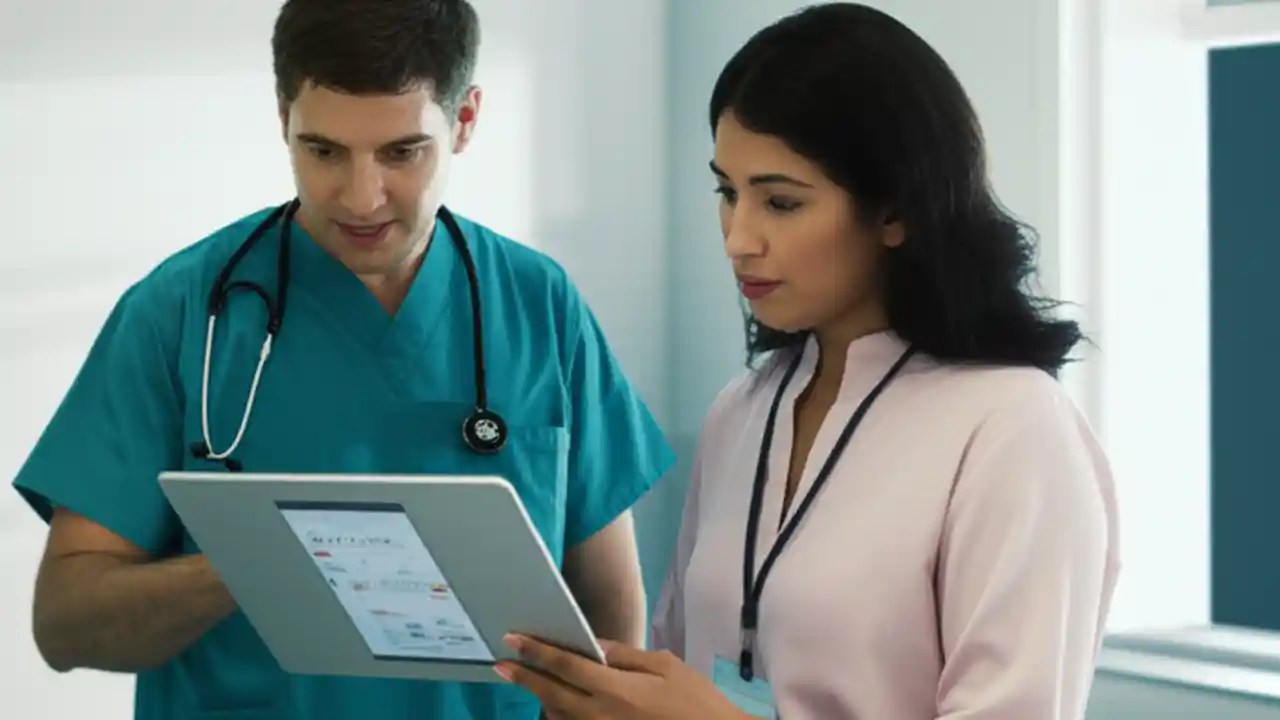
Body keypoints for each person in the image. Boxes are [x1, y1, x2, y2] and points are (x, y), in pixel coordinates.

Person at [12, 1, 673, 719]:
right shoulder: (180, 311)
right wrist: (261, 557)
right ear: (282, 118)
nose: (361, 199)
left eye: (402, 152)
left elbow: (608, 627)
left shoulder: (537, 304)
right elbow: (66, 624)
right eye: (323, 151)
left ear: (467, 121)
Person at [497, 4, 1120, 719]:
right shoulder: (744, 408)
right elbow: (676, 668)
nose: (738, 238)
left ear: (895, 210)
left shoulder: (1013, 427)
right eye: (727, 193)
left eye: (782, 203)